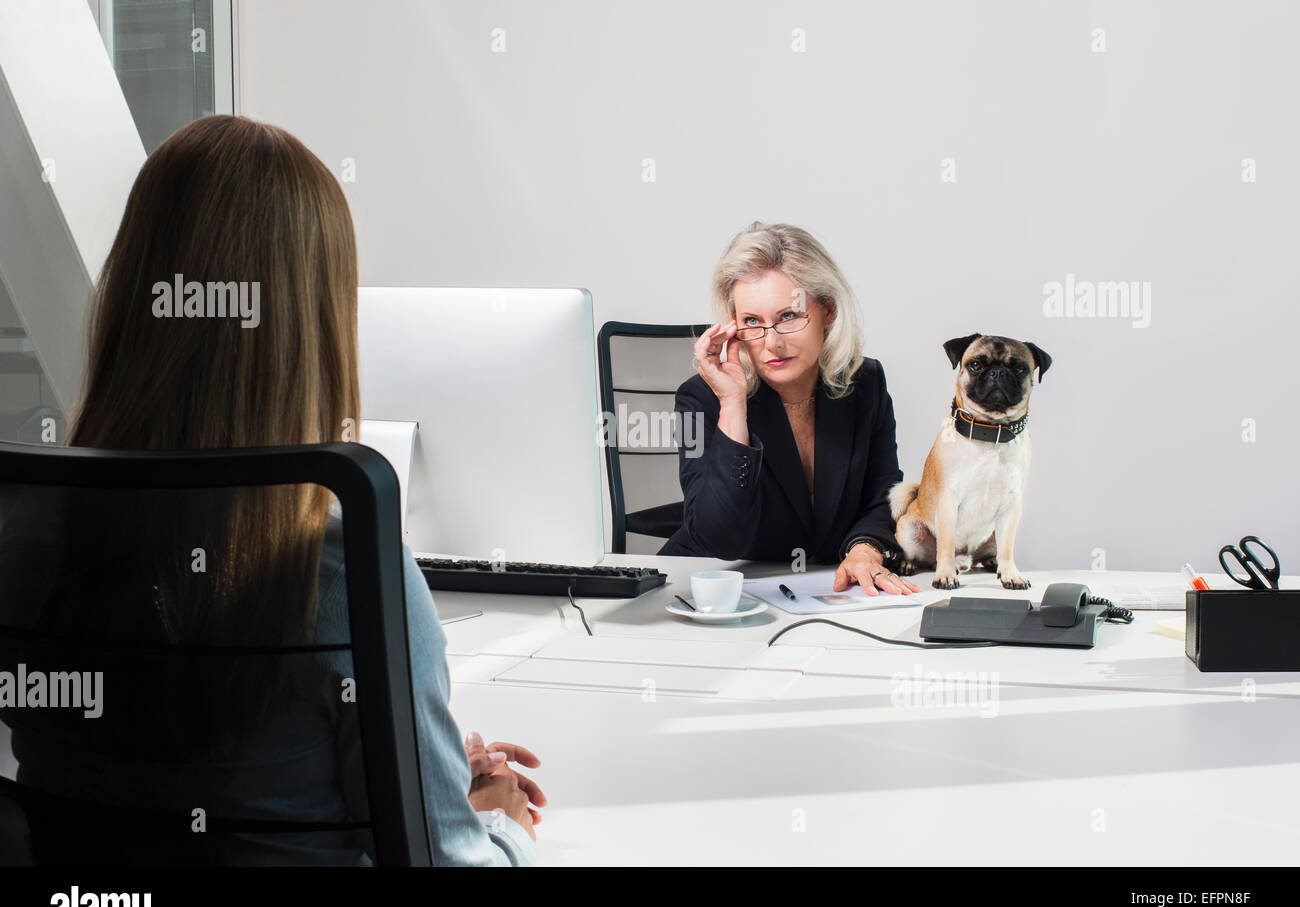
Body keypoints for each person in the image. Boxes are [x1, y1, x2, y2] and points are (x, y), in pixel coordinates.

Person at [0, 115, 542, 865]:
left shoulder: (23, 532)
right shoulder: (349, 570)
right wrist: (496, 821)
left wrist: (428, 770)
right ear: (315, 321)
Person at [660, 222, 921, 597]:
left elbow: (883, 493)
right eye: (752, 321)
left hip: (825, 593)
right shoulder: (702, 399)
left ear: (827, 312)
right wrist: (733, 406)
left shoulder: (865, 383)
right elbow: (720, 540)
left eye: (788, 316)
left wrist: (865, 549)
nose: (772, 343)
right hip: (715, 593)